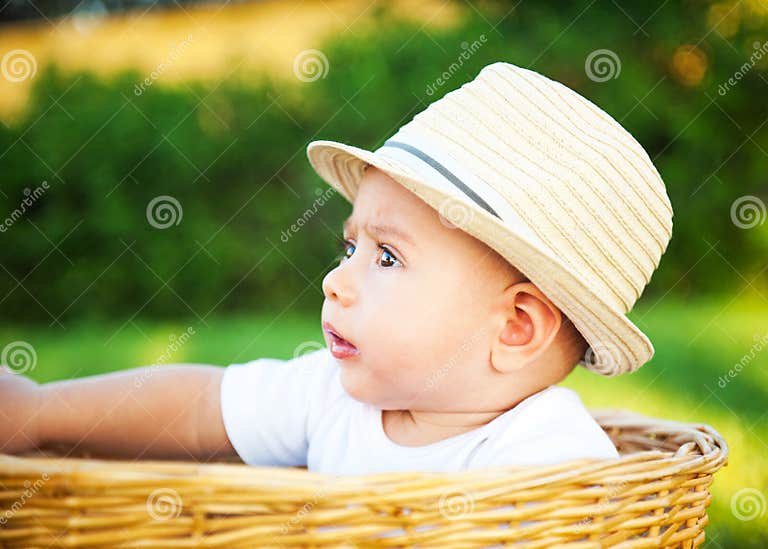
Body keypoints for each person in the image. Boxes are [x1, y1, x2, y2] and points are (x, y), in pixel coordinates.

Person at [0, 61, 673, 475]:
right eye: (349, 247)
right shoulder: (334, 395)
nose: (336, 279)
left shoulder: (546, 456)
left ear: (517, 327)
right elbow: (204, 406)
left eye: (386, 255)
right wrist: (35, 415)